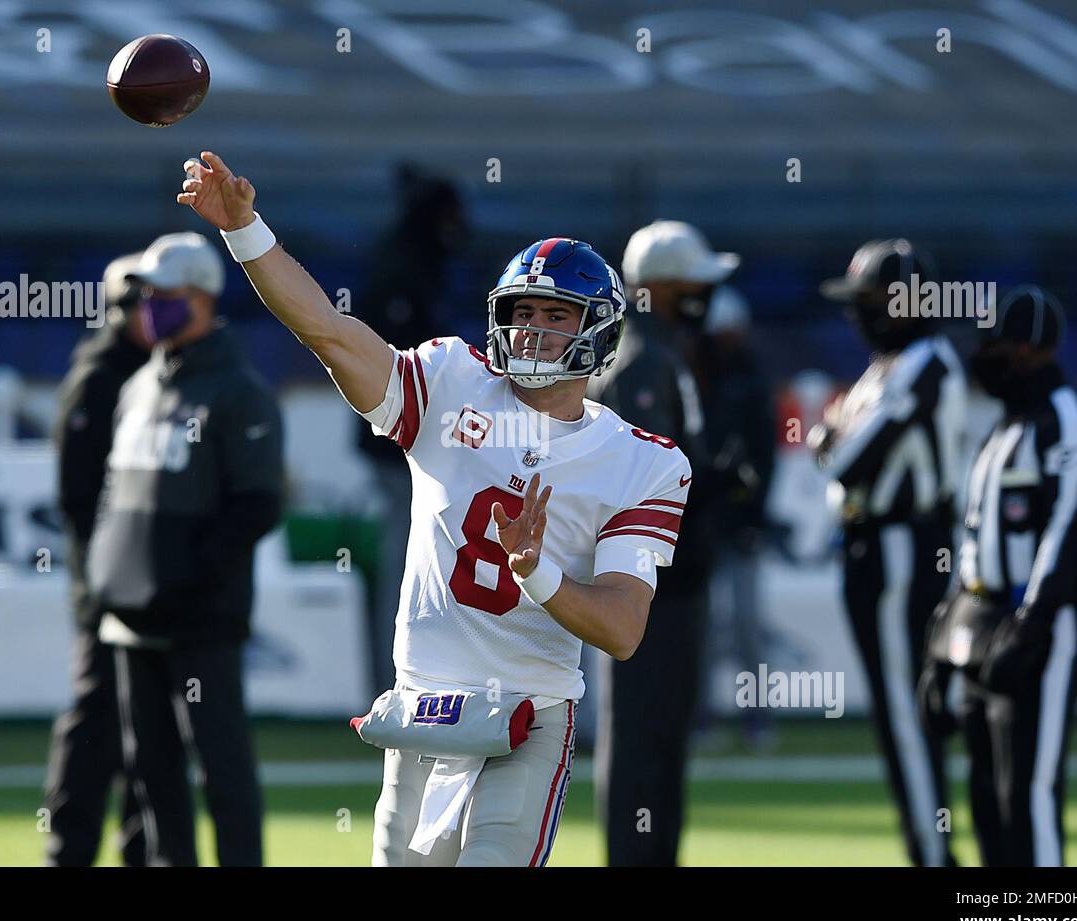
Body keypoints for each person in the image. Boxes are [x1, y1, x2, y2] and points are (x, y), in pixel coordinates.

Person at [176, 151, 692, 867]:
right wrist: (245, 233)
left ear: (597, 330)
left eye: (555, 314)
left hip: (528, 715)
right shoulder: (451, 383)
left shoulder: (645, 461)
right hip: (423, 711)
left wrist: (536, 572)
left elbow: (623, 628)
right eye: (522, 312)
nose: (533, 330)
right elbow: (327, 329)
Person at [86, 232, 285, 867]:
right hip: (130, 619)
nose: (150, 306)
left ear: (201, 297)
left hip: (202, 620)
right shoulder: (139, 385)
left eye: (163, 294)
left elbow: (259, 503)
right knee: (150, 776)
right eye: (145, 294)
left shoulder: (237, 390)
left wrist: (191, 573)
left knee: (222, 772)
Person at [919, 287, 1077, 867]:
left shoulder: (1067, 421)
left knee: (1028, 791)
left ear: (1029, 349)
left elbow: (1069, 527)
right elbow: (974, 546)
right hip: (982, 624)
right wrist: (941, 646)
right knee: (988, 793)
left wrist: (1032, 623)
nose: (986, 357)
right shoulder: (1004, 429)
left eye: (996, 345)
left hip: (1042, 625)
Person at [807, 238, 966, 867]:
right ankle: (928, 850)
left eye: (874, 301)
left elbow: (845, 455)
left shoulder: (925, 363)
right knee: (898, 711)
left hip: (906, 545)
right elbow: (828, 446)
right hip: (873, 546)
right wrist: (830, 439)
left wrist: (832, 438)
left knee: (907, 712)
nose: (861, 314)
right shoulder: (886, 368)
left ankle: (935, 857)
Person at [590, 220, 725, 866]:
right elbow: (648, 485)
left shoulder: (658, 352)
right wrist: (714, 486)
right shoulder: (643, 359)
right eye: (693, 281)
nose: (705, 292)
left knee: (662, 742)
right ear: (661, 287)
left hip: (665, 585)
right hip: (651, 590)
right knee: (644, 743)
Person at [42, 252, 153, 866]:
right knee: (95, 727)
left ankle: (139, 849)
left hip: (144, 589)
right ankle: (69, 851)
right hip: (110, 590)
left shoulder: (150, 371)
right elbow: (78, 500)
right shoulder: (100, 378)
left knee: (147, 731)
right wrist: (106, 578)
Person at [354, 165, 467, 693]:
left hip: (413, 446)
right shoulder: (404, 271)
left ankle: (418, 679)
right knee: (407, 566)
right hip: (401, 447)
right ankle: (395, 683)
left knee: (424, 565)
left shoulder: (407, 263)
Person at [697, 285, 777, 750]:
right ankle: (702, 716)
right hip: (709, 523)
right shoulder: (699, 375)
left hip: (740, 522)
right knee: (704, 627)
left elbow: (765, 457)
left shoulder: (751, 379)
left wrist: (754, 514)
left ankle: (757, 717)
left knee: (748, 623)